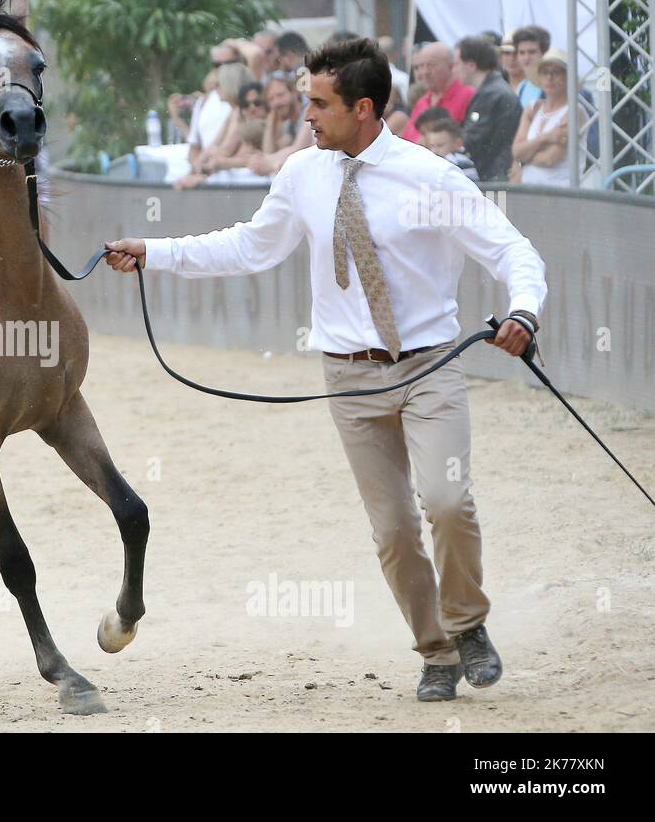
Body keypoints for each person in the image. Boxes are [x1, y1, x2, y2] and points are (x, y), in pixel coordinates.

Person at [104, 38, 547, 703]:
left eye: (319, 103)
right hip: (348, 378)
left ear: (363, 108)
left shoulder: (431, 177)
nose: (307, 115)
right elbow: (251, 246)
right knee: (395, 530)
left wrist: (524, 311)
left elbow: (512, 250)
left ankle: (468, 623)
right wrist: (155, 251)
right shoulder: (302, 174)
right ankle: (435, 650)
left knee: (448, 502)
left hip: (429, 364)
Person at [455, 35, 522, 181]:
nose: (454, 70)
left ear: (471, 65)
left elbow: (471, 139)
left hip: (493, 178)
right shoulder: (492, 90)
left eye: (456, 64)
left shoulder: (491, 94)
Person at [512, 49, 581, 187]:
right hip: (527, 191)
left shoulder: (574, 111)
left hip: (560, 194)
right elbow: (516, 151)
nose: (550, 77)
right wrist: (546, 137)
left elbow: (550, 158)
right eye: (545, 72)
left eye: (556, 72)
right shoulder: (533, 108)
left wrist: (523, 158)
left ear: (567, 77)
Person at [402, 42, 474, 142]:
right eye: (421, 66)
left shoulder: (468, 96)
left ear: (451, 66)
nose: (425, 72)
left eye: (431, 65)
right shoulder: (421, 102)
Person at [511, 25, 549, 108]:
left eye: (532, 52)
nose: (526, 58)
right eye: (521, 52)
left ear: (545, 53)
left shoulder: (553, 86)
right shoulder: (522, 87)